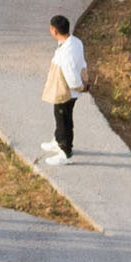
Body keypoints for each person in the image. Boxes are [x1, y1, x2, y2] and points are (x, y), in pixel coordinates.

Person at [46, 12, 94, 161]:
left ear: (54, 31)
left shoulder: (65, 54)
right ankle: (58, 141)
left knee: (64, 121)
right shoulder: (76, 42)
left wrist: (79, 87)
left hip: (65, 92)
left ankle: (65, 152)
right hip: (69, 92)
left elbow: (71, 77)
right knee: (60, 117)